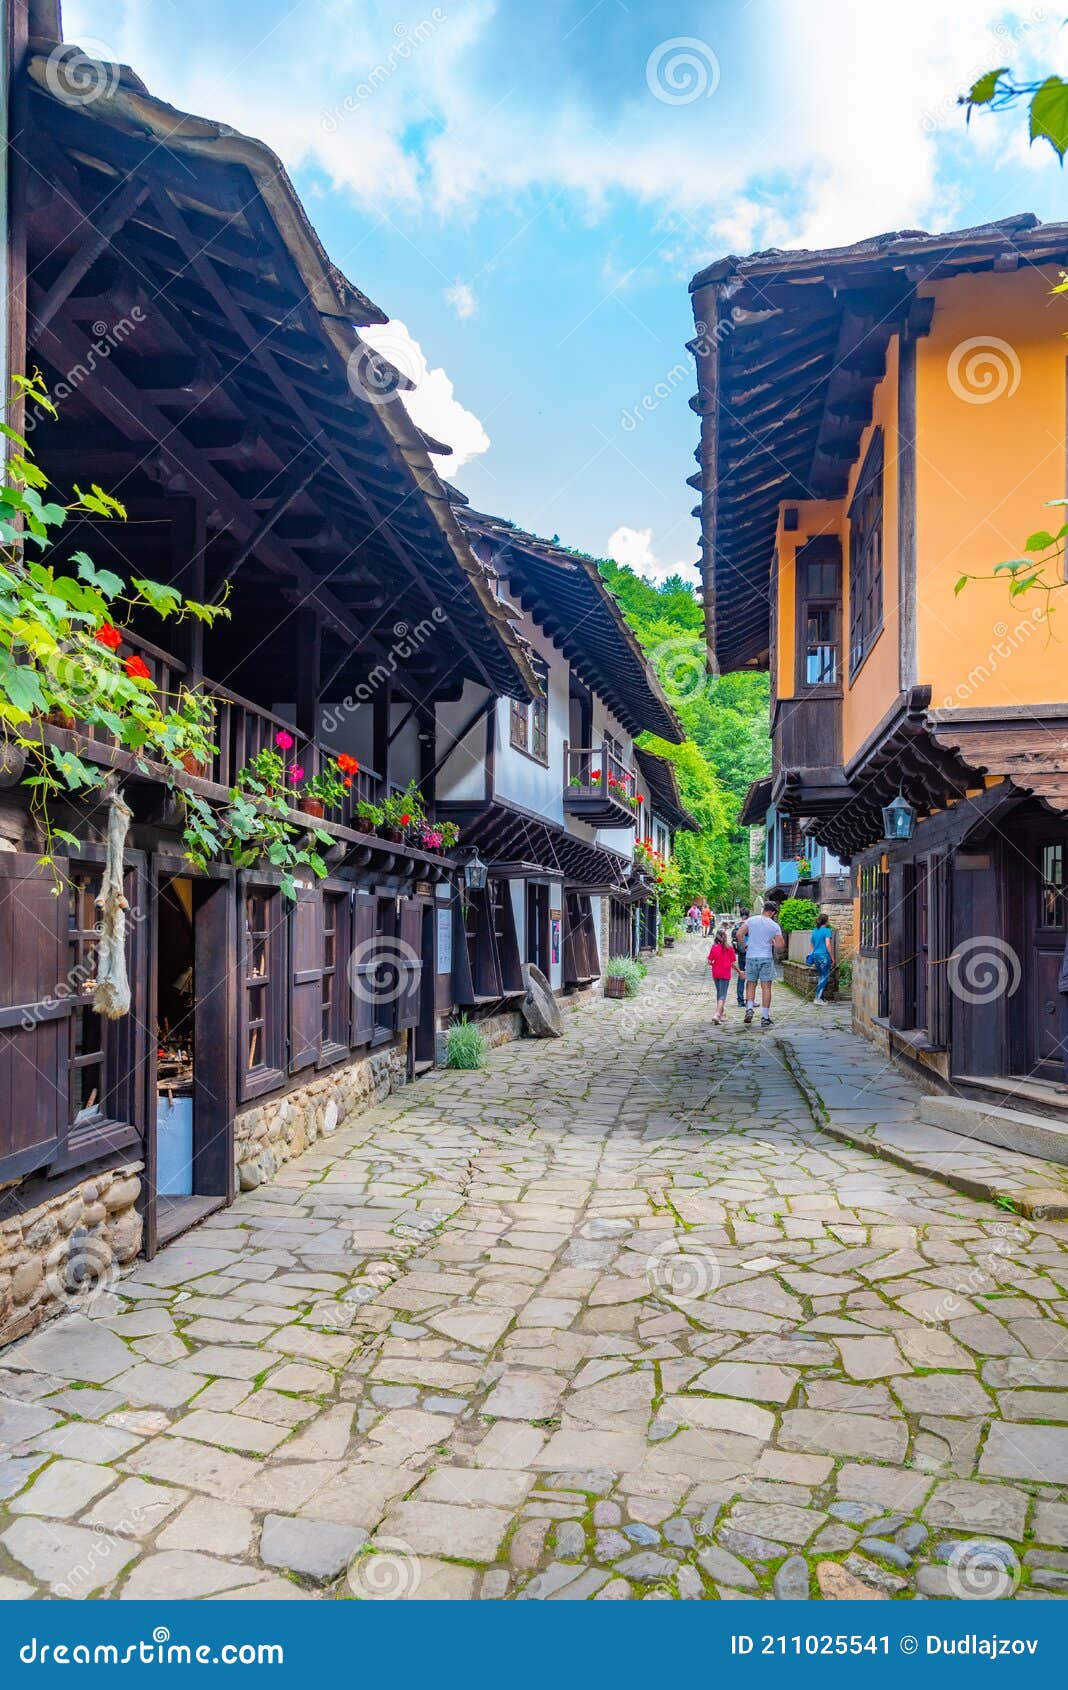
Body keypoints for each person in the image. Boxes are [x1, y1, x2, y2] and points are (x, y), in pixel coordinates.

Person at [735, 899, 785, 1027]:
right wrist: (773, 942)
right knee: (766, 987)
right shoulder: (774, 925)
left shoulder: (751, 920)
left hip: (751, 956)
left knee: (751, 984)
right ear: (773, 912)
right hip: (766, 957)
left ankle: (750, 1009)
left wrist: (745, 946)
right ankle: (765, 1017)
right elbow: (780, 945)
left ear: (763, 909)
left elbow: (739, 934)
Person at [707, 926, 736, 1025]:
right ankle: (717, 1014)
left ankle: (722, 1014)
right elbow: (732, 963)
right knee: (722, 995)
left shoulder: (714, 947)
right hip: (725, 973)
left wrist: (714, 963)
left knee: (719, 993)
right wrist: (740, 971)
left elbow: (709, 961)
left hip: (716, 973)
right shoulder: (729, 948)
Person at [808, 911, 836, 1004]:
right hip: (824, 956)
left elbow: (811, 943)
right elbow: (828, 944)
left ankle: (821, 998)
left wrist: (812, 953)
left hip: (816, 956)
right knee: (825, 977)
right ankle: (817, 998)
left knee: (821, 976)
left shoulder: (815, 930)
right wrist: (832, 957)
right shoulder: (827, 930)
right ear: (826, 921)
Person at [731, 907, 750, 1007]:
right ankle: (750, 1000)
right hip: (750, 952)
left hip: (741, 953)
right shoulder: (750, 925)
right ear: (748, 914)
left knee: (741, 975)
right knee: (751, 977)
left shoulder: (737, 926)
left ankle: (740, 1000)